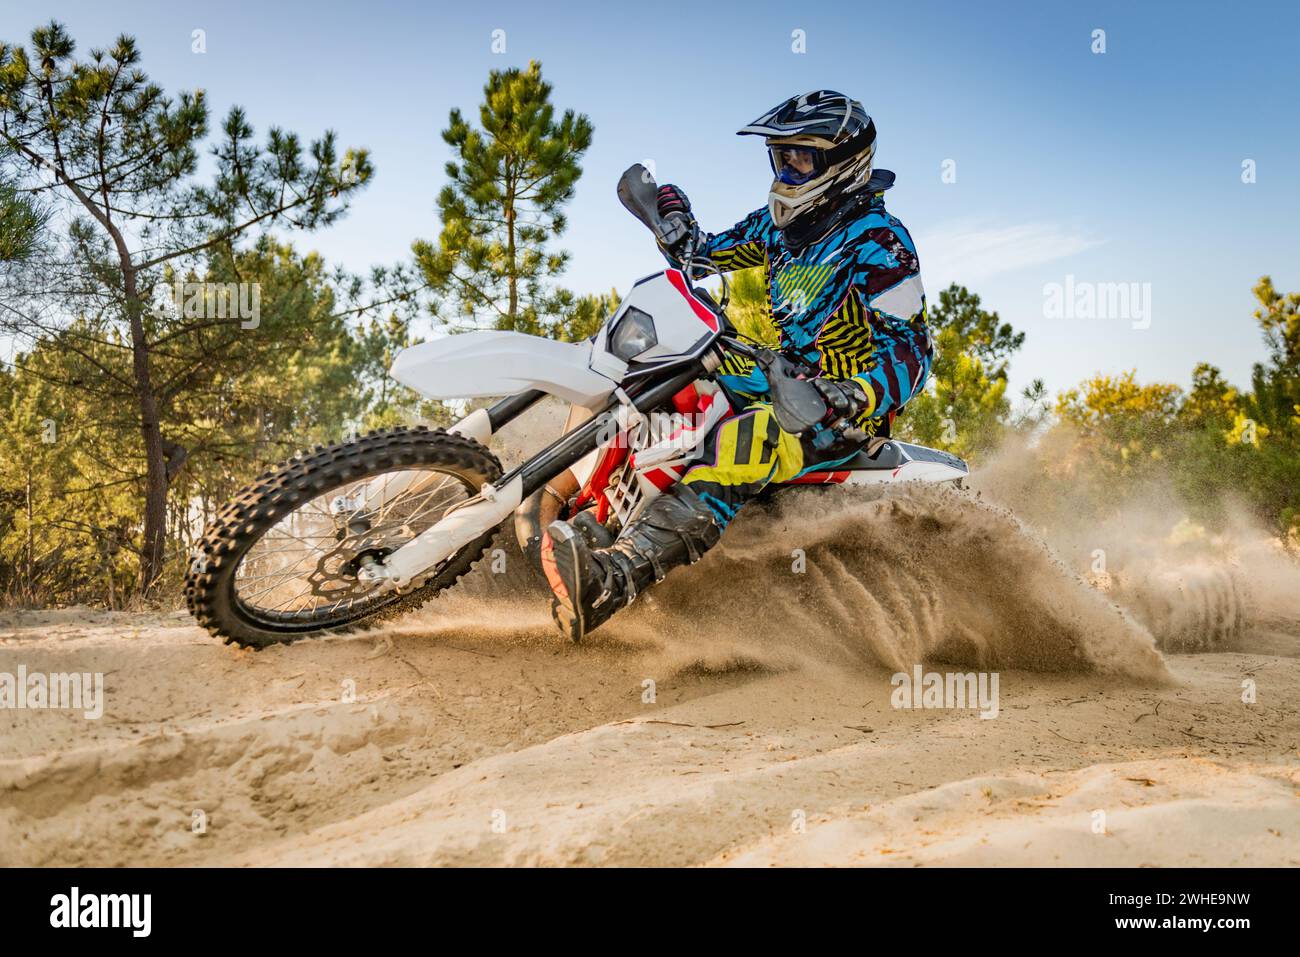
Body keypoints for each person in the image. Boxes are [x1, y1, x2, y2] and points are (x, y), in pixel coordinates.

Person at [542, 90, 932, 641]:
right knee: (664, 383)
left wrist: (852, 394)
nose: (787, 170)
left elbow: (913, 351)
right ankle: (593, 512)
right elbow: (704, 254)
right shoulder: (780, 227)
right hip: (778, 376)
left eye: (801, 158)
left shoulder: (880, 244)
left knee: (744, 442)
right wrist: (672, 220)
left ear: (843, 163)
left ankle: (612, 581)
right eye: (781, 157)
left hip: (839, 413)